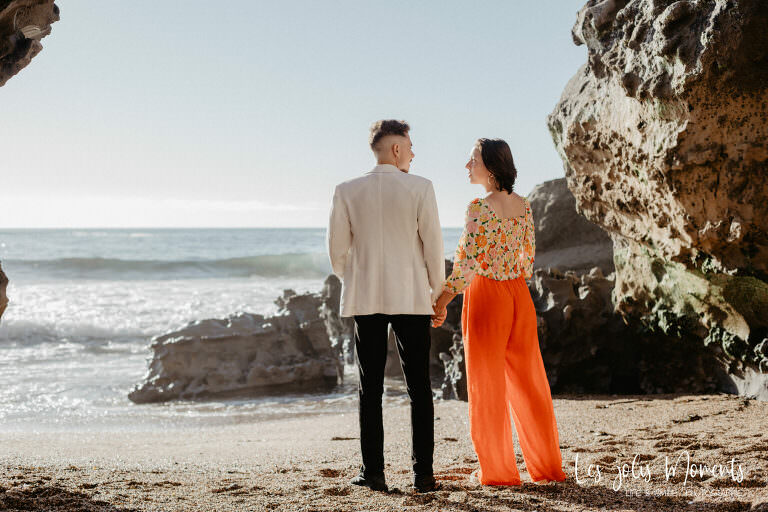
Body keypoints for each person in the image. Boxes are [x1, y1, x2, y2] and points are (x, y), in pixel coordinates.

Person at [431, 138, 567, 486]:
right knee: (529, 382)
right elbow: (527, 258)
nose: (467, 165)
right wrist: (511, 280)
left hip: (488, 295)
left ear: (490, 167)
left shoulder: (478, 207)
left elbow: (467, 263)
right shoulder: (524, 206)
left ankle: (499, 472)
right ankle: (547, 468)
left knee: (487, 386)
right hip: (518, 295)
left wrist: (443, 299)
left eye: (472, 159)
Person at [327, 120, 444, 493]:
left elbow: (336, 253)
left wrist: (357, 275)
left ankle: (373, 473)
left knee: (369, 388)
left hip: (366, 297)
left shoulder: (346, 190)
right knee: (419, 387)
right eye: (409, 145)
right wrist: (437, 294)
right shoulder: (421, 188)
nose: (412, 152)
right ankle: (423, 476)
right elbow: (433, 248)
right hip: (411, 297)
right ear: (396, 149)